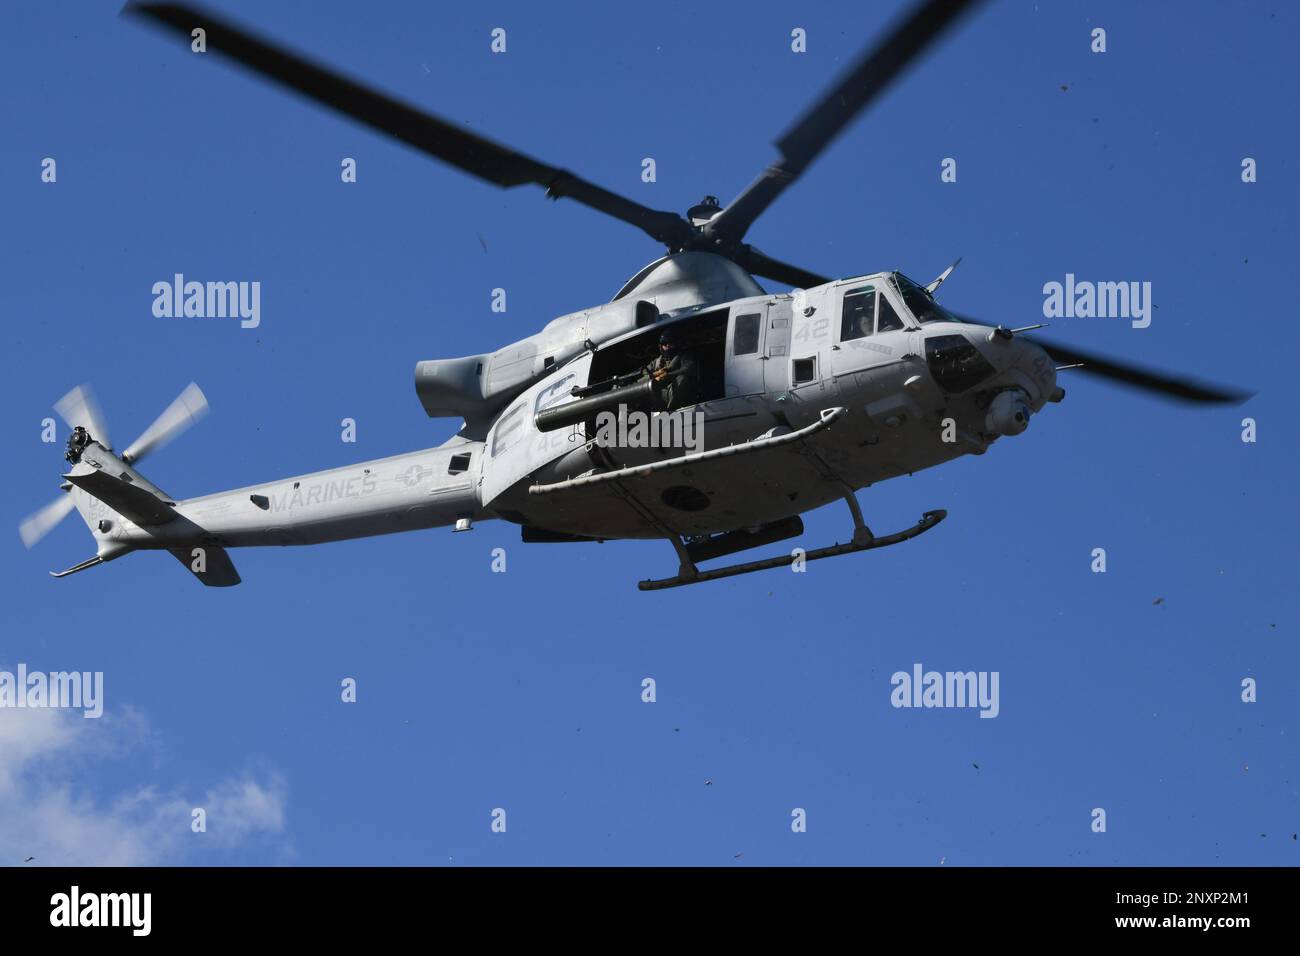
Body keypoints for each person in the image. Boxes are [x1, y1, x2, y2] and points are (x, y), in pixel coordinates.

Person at [642, 328, 700, 411]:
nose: (668, 346)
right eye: (665, 343)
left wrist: (668, 375)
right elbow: (644, 372)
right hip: (659, 395)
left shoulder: (683, 356)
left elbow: (689, 368)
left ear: (676, 344)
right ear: (661, 346)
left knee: (682, 379)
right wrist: (654, 376)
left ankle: (670, 412)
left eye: (671, 343)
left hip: (678, 395)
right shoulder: (656, 362)